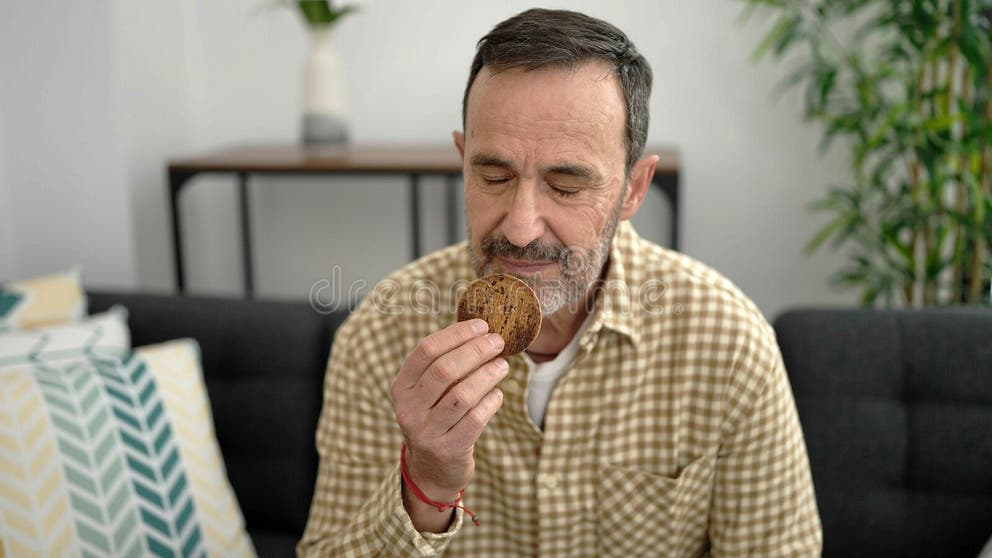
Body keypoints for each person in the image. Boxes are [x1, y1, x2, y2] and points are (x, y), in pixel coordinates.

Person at [298, 8, 822, 557]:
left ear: (634, 188)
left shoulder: (730, 345)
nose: (521, 229)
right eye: (494, 176)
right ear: (462, 164)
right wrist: (424, 486)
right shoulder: (378, 337)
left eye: (566, 186)